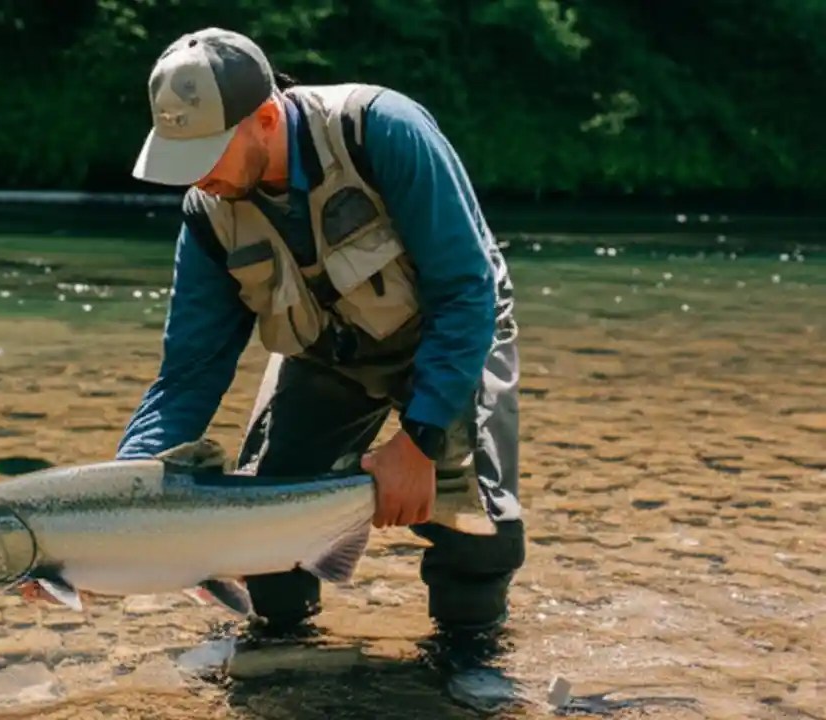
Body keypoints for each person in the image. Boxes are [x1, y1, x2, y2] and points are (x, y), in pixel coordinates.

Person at [112, 27, 527, 692]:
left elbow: (466, 292)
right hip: (326, 353)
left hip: (448, 330)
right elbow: (189, 371)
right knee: (265, 509)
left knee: (475, 521)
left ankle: (468, 656)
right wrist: (125, 494)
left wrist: (417, 442)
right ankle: (279, 641)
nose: (198, 176)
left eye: (209, 152)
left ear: (267, 118)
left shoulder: (383, 130)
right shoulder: (206, 213)